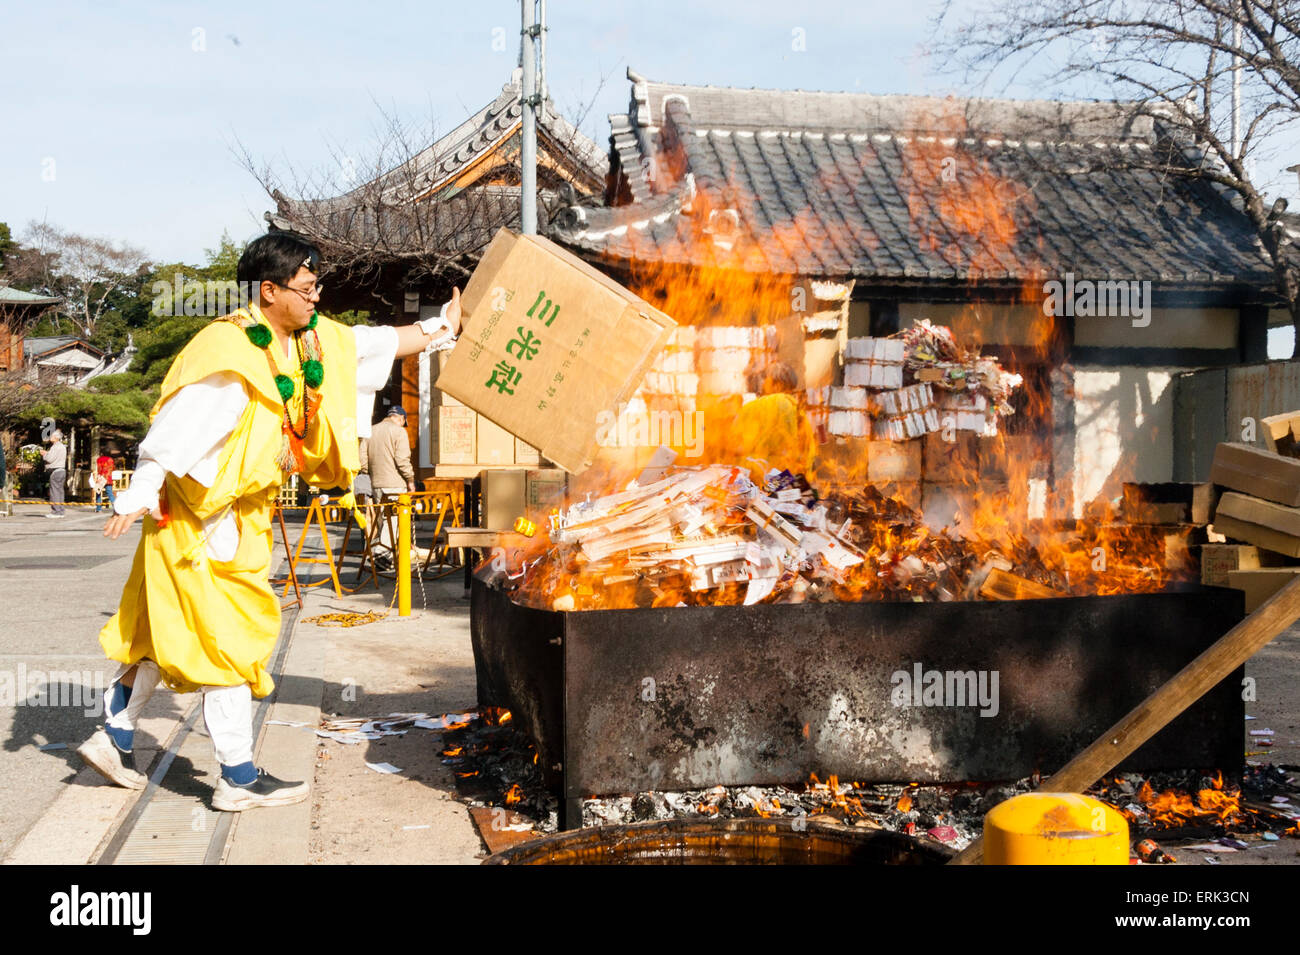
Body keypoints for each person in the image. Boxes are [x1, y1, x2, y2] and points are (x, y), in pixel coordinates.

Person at [80, 233, 461, 811]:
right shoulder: (227, 348)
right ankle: (236, 775)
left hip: (243, 515)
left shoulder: (310, 341)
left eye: (317, 288)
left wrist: (440, 326)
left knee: (169, 632)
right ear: (269, 291)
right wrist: (139, 489)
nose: (317, 298)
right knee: (229, 641)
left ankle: (114, 731)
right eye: (307, 289)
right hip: (200, 520)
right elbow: (176, 429)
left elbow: (375, 342)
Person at [41, 429, 68, 518]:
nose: (50, 437)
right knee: (60, 491)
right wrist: (47, 453)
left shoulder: (55, 446)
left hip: (55, 471)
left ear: (56, 438)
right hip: (62, 470)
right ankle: (60, 511)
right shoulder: (62, 446)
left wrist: (44, 454)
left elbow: (50, 459)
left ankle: (55, 512)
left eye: (52, 436)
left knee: (54, 492)